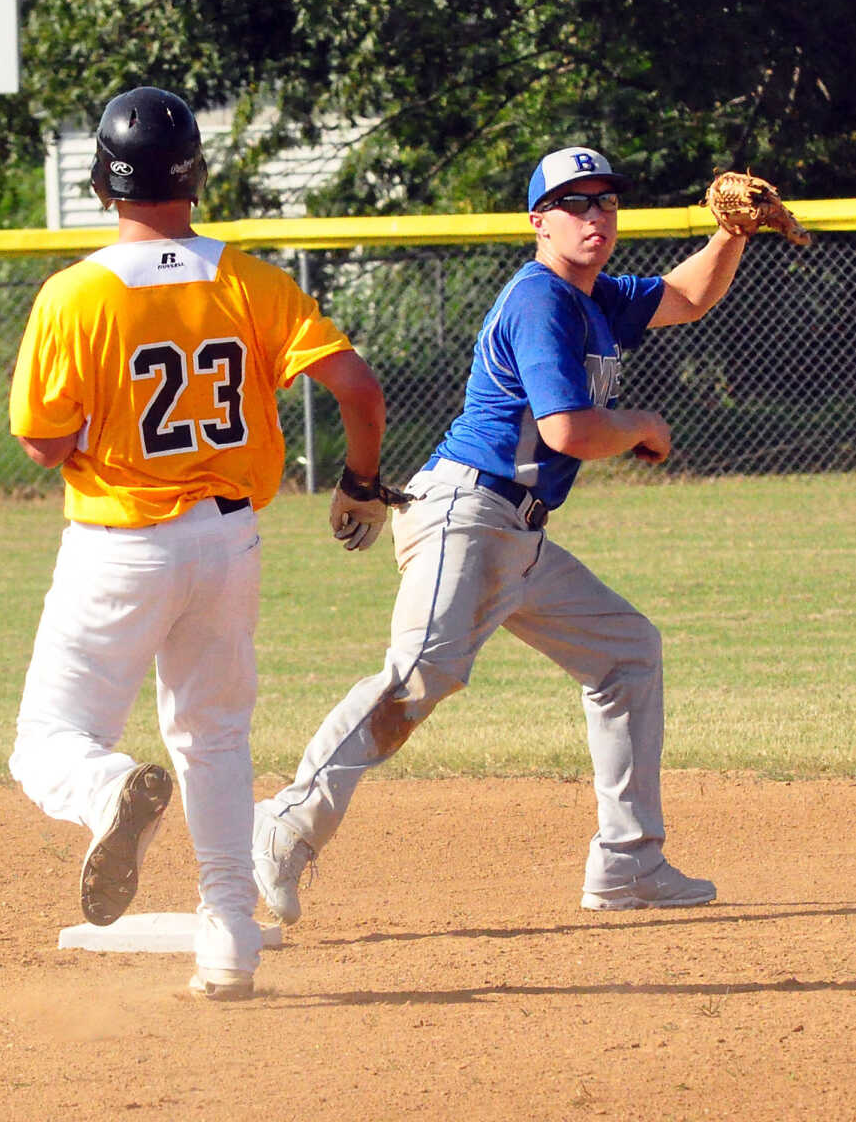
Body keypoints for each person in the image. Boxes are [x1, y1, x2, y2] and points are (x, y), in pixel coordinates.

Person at [251, 145, 749, 924]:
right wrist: (642, 424)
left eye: (605, 203)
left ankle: (628, 862)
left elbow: (685, 296)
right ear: (537, 221)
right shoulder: (540, 300)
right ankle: (285, 823)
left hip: (514, 532)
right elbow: (566, 430)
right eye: (574, 204)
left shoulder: (596, 296)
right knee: (419, 675)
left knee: (626, 652)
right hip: (467, 515)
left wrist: (731, 236)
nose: (594, 217)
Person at [8, 86, 393, 1001]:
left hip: (118, 543)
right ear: (196, 177)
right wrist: (361, 482)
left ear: (104, 182)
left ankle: (107, 793)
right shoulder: (249, 280)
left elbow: (42, 441)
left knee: (47, 744)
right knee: (215, 736)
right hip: (228, 543)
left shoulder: (75, 293)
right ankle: (228, 943)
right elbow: (360, 390)